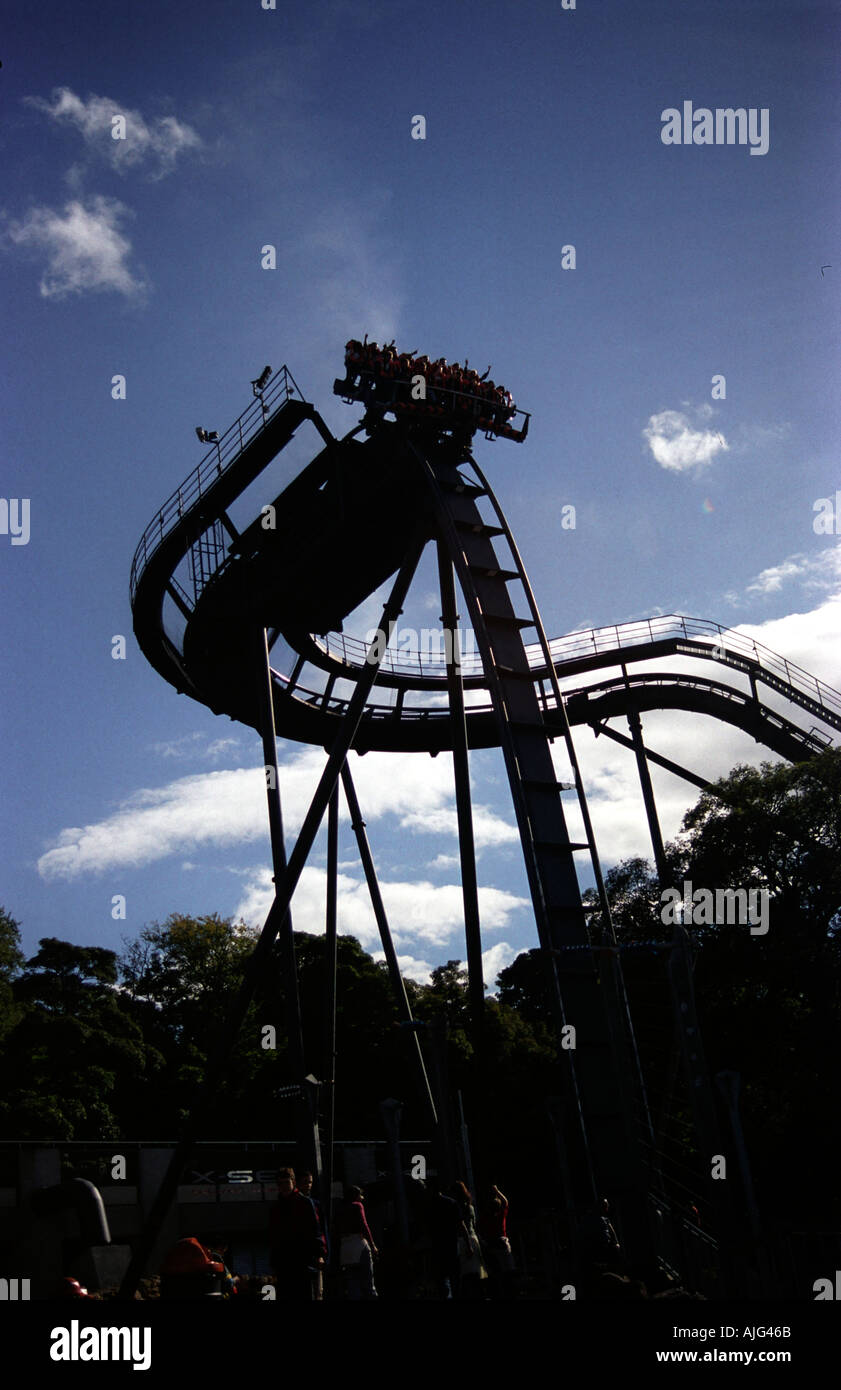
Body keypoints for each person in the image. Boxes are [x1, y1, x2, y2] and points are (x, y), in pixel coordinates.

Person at [268, 1167, 322, 1301]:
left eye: (286, 1182)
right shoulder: (276, 1207)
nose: (284, 1186)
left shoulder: (304, 1203)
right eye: (281, 1183)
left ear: (293, 1182)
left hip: (302, 1260)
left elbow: (315, 1229)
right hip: (285, 1262)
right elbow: (274, 1236)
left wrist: (319, 1254)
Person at [426, 1178, 469, 1299]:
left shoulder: (429, 1206)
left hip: (437, 1247)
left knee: (442, 1281)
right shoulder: (451, 1203)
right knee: (455, 1279)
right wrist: (468, 1244)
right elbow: (461, 1225)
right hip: (451, 1245)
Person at [338, 1185, 378, 1299]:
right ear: (355, 1196)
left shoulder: (340, 1208)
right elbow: (364, 1225)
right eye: (360, 1195)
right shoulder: (357, 1206)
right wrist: (373, 1245)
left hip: (345, 1247)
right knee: (368, 1283)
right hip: (359, 1244)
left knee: (352, 1284)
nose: (362, 1198)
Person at [451, 1180, 486, 1297]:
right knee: (477, 1272)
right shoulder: (470, 1207)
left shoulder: (455, 1208)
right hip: (473, 1238)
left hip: (461, 1240)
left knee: (465, 1273)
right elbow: (474, 1225)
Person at [298, 1169, 328, 1300]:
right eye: (305, 1182)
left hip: (311, 1252)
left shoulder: (314, 1203)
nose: (308, 1185)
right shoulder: (309, 1203)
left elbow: (320, 1229)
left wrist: (321, 1253)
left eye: (310, 1182)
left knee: (316, 1289)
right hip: (305, 1252)